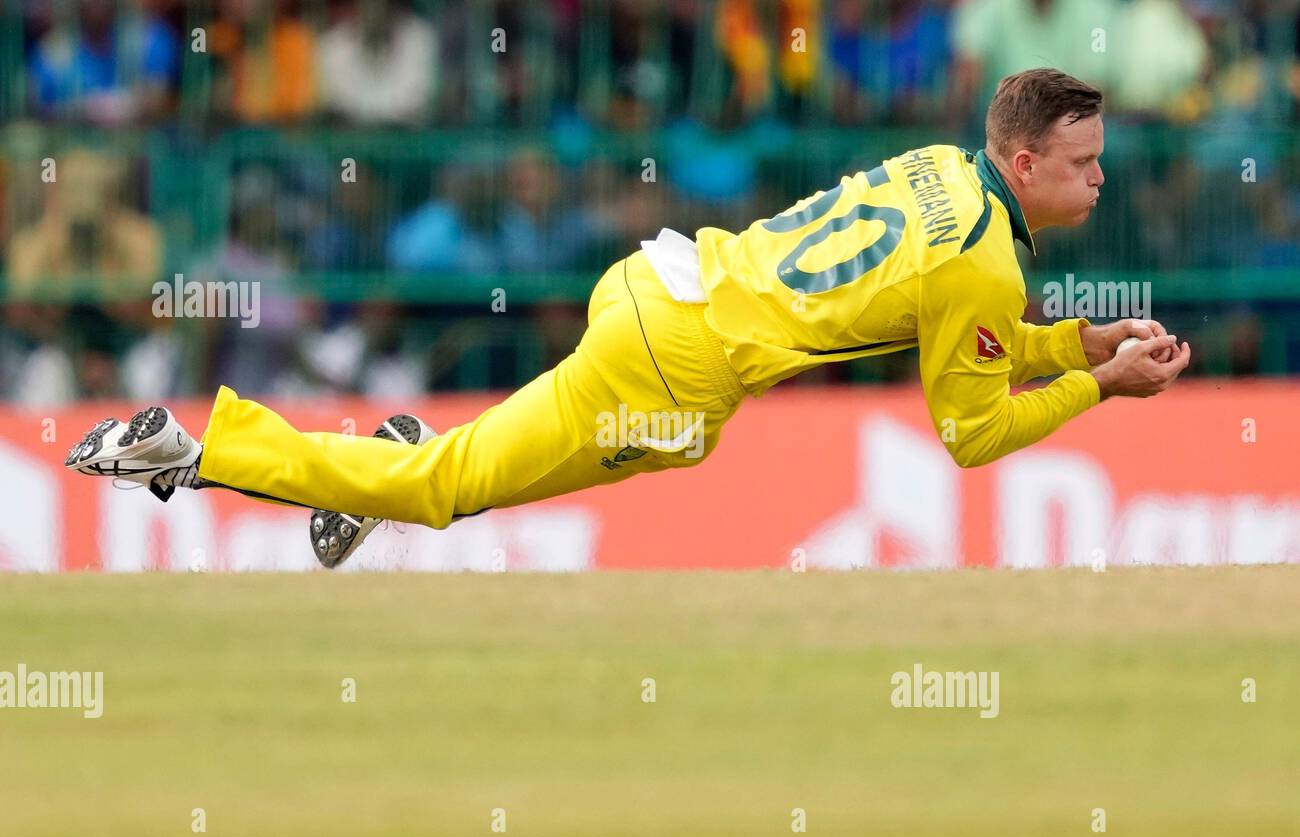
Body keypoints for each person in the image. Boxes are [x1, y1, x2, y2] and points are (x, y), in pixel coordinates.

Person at [65, 68, 1191, 569]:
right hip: (674, 375)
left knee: (473, 465)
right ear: (1023, 161)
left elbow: (942, 316)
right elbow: (971, 433)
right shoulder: (984, 268)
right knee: (451, 489)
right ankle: (195, 454)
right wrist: (1100, 384)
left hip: (657, 281)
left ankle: (384, 466)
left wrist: (1070, 342)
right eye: (1083, 164)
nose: (1100, 181)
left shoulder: (943, 167)